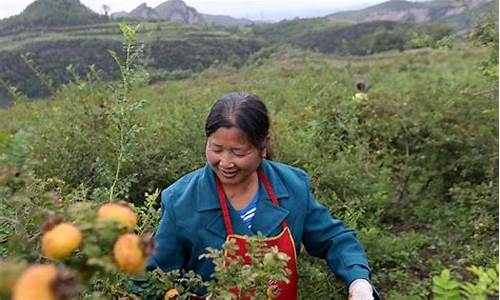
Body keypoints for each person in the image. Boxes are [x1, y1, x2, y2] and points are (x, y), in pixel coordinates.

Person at [148, 92, 379, 299]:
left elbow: (335, 239)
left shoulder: (292, 186)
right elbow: (154, 276)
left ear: (262, 147)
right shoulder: (181, 200)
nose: (225, 162)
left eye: (239, 152)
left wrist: (359, 282)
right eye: (216, 149)